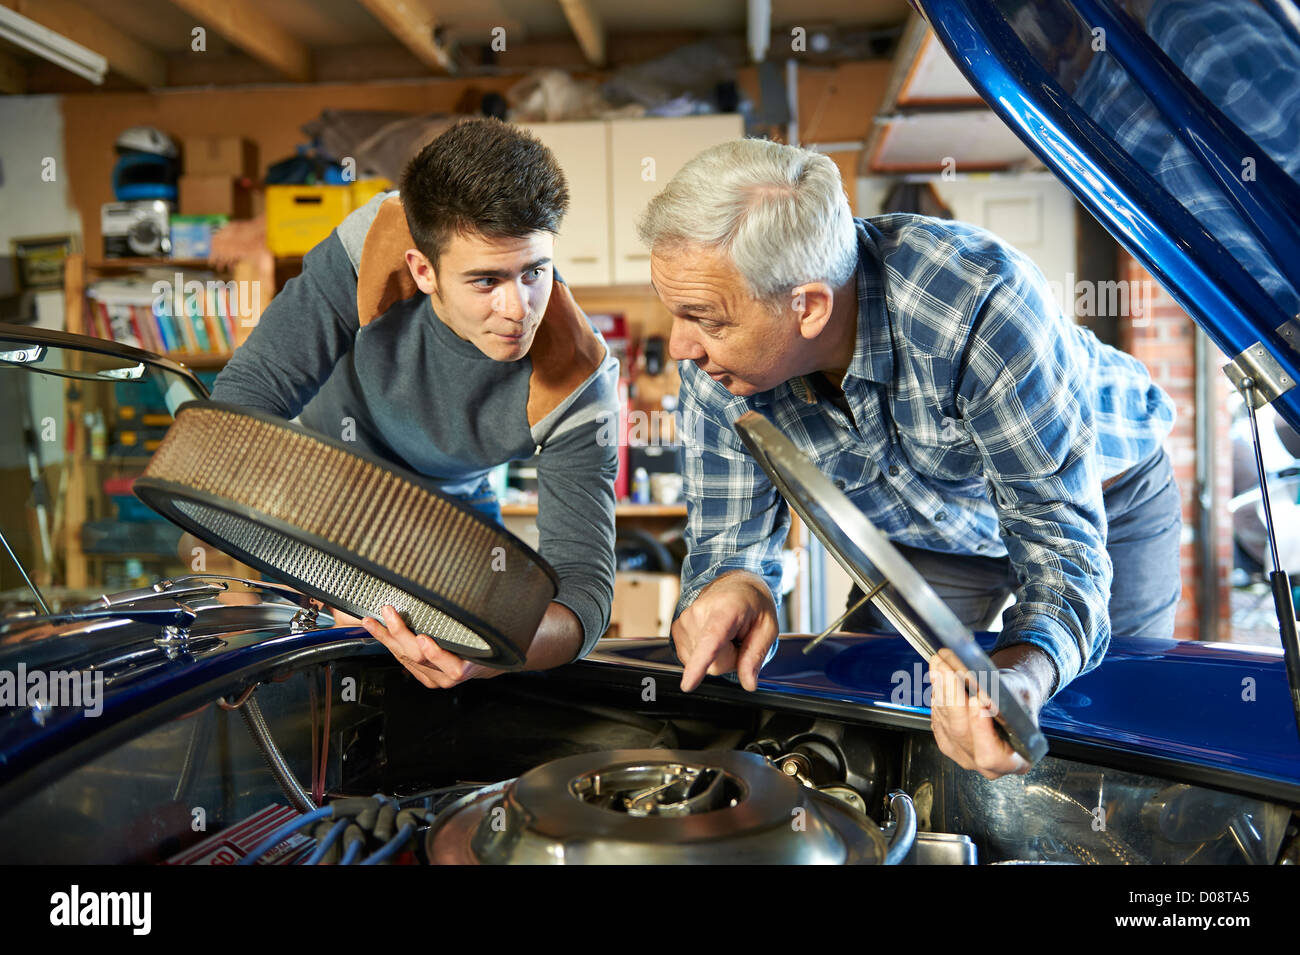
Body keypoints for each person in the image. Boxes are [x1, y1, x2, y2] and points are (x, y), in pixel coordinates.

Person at [640, 137, 1180, 779]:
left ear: (807, 306)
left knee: (1112, 717)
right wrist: (735, 583)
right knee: (875, 704)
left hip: (1102, 496)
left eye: (704, 319)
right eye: (676, 313)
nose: (679, 345)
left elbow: (1058, 549)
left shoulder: (978, 305)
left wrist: (1022, 675)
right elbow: (730, 540)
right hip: (931, 529)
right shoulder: (717, 365)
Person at [211, 118, 619, 688]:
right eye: (485, 281)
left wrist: (493, 654)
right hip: (316, 491)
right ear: (422, 270)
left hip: (450, 525)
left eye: (535, 272)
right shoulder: (371, 249)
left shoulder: (580, 380)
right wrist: (321, 570)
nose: (518, 308)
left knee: (447, 705)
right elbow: (243, 402)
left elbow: (584, 594)